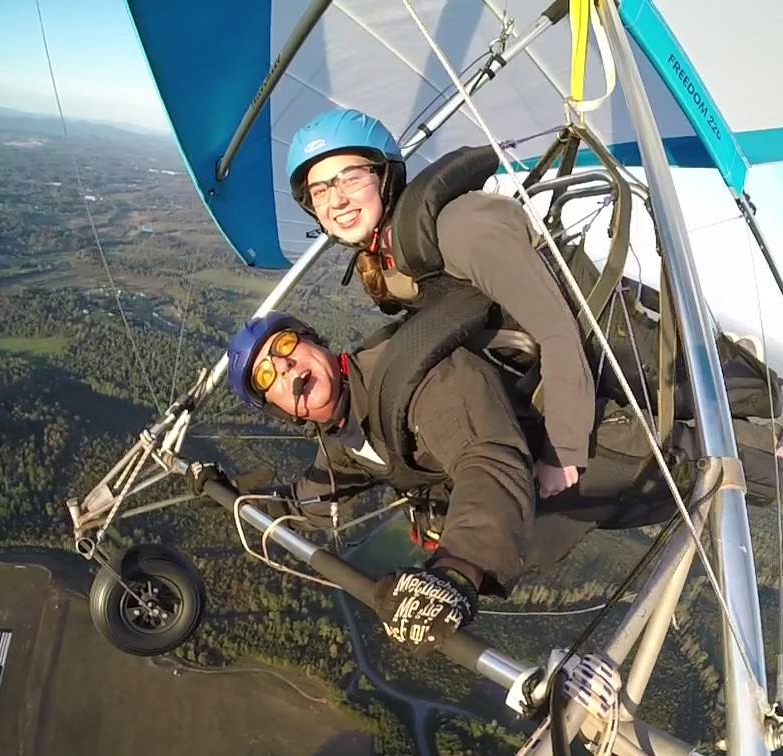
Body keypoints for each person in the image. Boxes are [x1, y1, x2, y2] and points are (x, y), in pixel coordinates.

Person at [284, 108, 595, 500]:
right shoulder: (394, 258)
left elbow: (556, 330)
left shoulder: (461, 229)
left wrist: (562, 452)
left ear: (385, 178)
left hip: (597, 371)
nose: (337, 200)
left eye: (350, 177)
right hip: (524, 382)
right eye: (320, 191)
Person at [224, 308, 537, 652]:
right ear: (283, 411)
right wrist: (238, 497)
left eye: (284, 345)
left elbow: (488, 459)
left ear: (315, 342)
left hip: (553, 481)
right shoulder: (342, 435)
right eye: (266, 376)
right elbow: (309, 504)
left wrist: (456, 568)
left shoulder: (407, 377)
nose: (282, 366)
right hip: (516, 518)